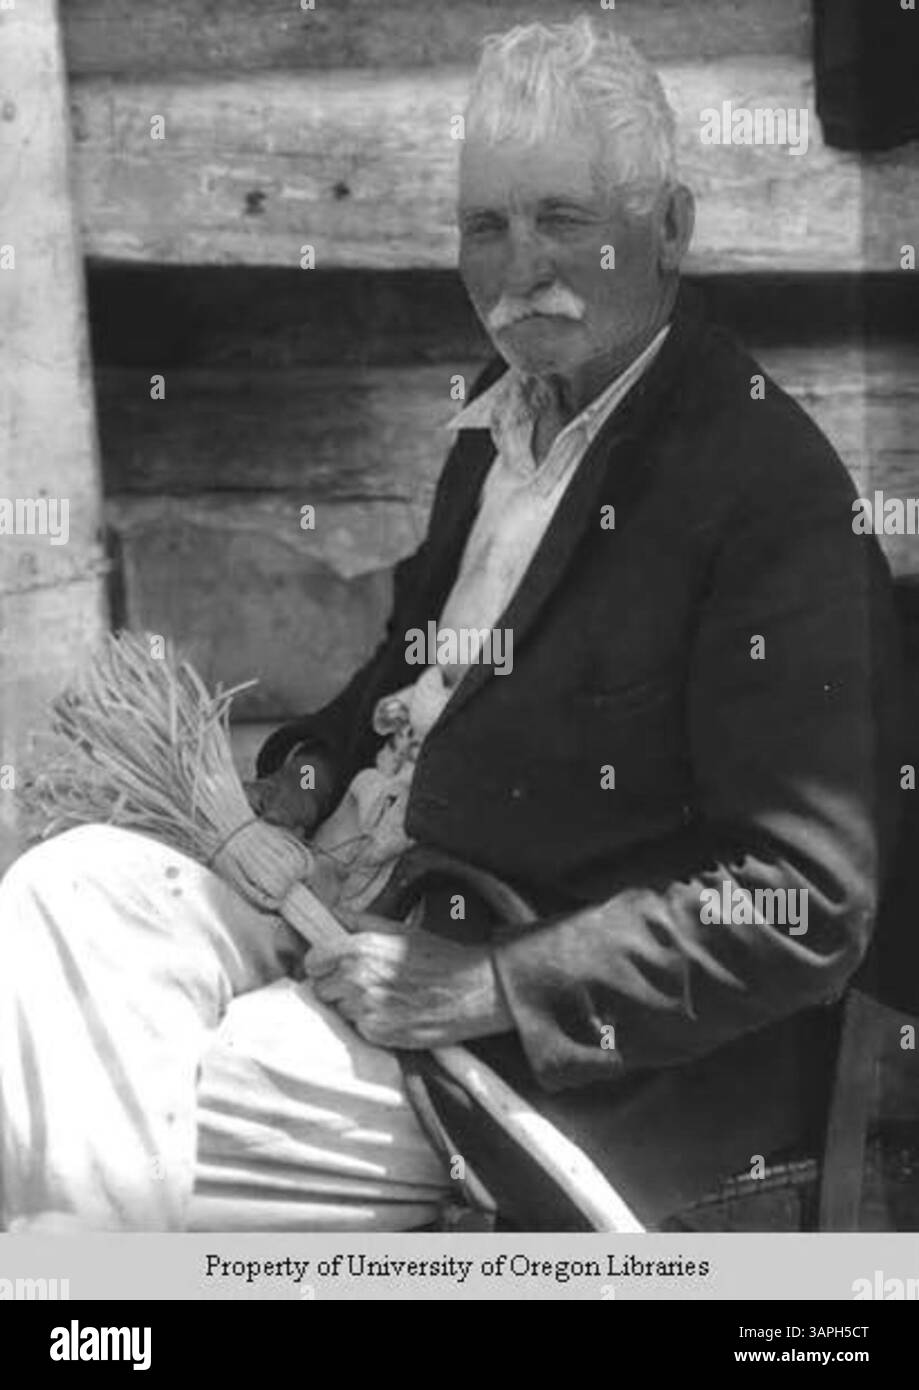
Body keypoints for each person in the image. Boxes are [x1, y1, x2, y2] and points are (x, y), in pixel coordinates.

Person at [0, 18, 902, 1232]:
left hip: (526, 1062)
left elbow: (802, 899)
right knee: (64, 891)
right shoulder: (499, 434)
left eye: (563, 219)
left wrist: (481, 984)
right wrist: (303, 778)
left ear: (670, 230)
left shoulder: (762, 491)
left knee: (110, 1093)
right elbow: (414, 681)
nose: (517, 267)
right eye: (486, 225)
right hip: (341, 905)